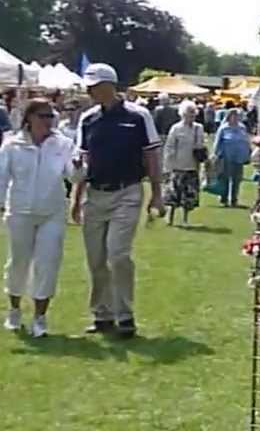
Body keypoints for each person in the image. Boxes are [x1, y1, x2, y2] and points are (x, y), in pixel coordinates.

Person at [71, 63, 163, 340]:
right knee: (96, 258)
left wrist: (157, 193)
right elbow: (82, 161)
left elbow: (151, 156)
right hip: (95, 194)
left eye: (94, 86)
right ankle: (102, 314)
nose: (89, 91)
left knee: (118, 254)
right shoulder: (88, 119)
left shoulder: (138, 116)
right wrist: (76, 198)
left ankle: (125, 315)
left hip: (127, 191)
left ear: (109, 85)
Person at [0, 99, 74, 339]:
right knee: (18, 262)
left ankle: (40, 317)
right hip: (20, 212)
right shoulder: (12, 145)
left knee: (48, 264)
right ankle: (14, 310)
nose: (48, 121)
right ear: (29, 118)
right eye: (43, 116)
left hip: (52, 213)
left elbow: (74, 177)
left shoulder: (63, 144)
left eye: (51, 116)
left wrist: (79, 167)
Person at [163, 101, 206, 226]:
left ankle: (185, 220)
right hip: (177, 166)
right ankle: (170, 218)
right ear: (182, 114)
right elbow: (170, 146)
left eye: (193, 113)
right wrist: (168, 165)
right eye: (188, 113)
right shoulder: (176, 128)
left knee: (189, 196)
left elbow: (201, 145)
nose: (191, 116)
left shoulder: (199, 128)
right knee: (173, 194)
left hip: (192, 166)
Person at [213, 109, 250, 207]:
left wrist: (247, 153)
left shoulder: (242, 128)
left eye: (237, 116)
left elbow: (246, 141)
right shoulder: (223, 128)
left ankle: (234, 199)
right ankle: (224, 198)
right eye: (233, 116)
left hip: (239, 157)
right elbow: (217, 142)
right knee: (225, 178)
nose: (235, 118)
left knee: (237, 179)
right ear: (229, 117)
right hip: (226, 157)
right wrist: (216, 154)